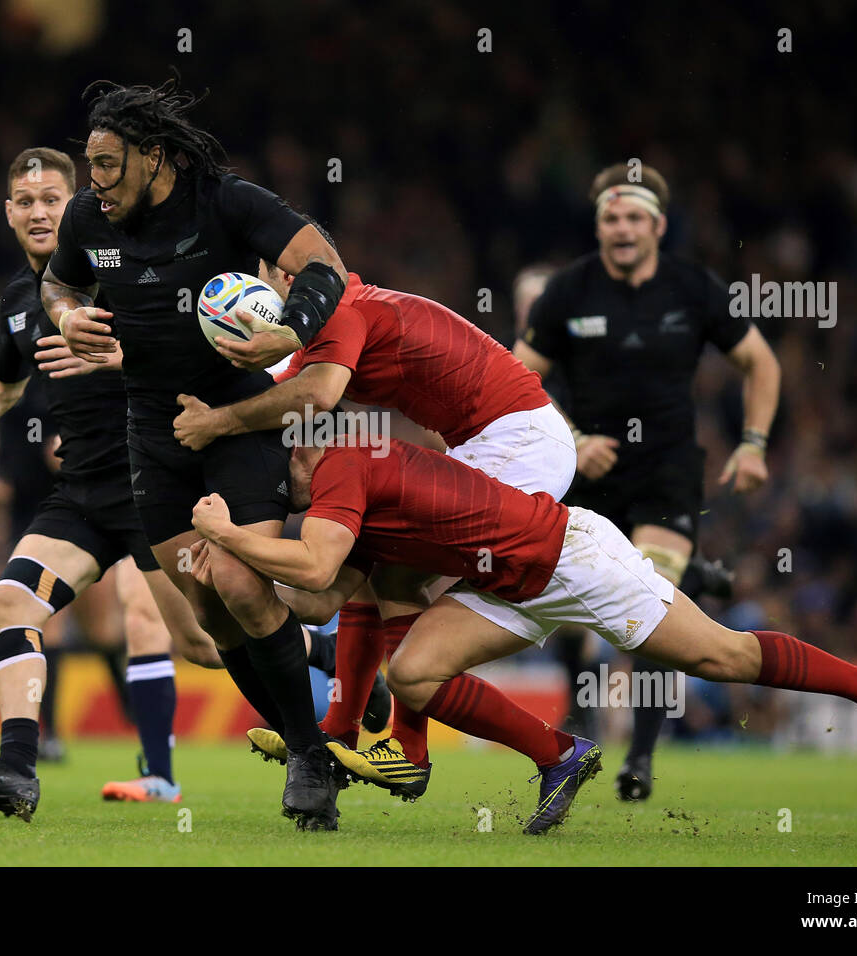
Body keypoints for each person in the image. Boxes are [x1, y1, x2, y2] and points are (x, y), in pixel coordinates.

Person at [189, 438, 857, 834]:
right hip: (506, 585)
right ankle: (560, 756)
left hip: (572, 559)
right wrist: (230, 579)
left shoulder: (341, 471)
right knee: (414, 673)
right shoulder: (342, 496)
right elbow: (317, 598)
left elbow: (314, 567)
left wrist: (226, 534)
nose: (266, 505)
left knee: (722, 656)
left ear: (295, 453)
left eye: (263, 485)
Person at [0, 147, 221, 817]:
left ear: (77, 203)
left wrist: (121, 354)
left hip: (157, 488)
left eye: (52, 198)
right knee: (8, 605)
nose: (38, 211)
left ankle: (319, 654)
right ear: (8, 213)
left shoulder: (119, 265)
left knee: (204, 642)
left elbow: (196, 342)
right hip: (83, 500)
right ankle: (19, 772)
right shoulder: (21, 299)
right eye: (25, 201)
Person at [42, 79, 351, 828]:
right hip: (152, 434)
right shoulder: (89, 217)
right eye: (91, 166)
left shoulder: (227, 202)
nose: (95, 184)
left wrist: (293, 330)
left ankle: (308, 755)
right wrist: (69, 314)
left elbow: (324, 264)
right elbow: (57, 281)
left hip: (236, 422)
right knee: (210, 619)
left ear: (154, 156)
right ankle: (318, 699)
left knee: (243, 585)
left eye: (110, 165)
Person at [170, 239, 576, 797]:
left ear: (285, 278)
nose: (257, 287)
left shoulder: (340, 313)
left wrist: (216, 427)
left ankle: (411, 749)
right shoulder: (328, 323)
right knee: (372, 573)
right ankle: (342, 734)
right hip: (495, 438)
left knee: (392, 573)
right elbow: (268, 388)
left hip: (518, 440)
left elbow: (312, 396)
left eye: (261, 274)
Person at [514, 162, 782, 799]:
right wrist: (574, 438)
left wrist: (753, 445)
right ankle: (579, 728)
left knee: (653, 605)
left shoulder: (694, 288)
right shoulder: (569, 291)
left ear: (658, 225)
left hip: (665, 471)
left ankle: (639, 756)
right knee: (578, 615)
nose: (622, 228)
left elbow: (760, 361)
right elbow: (517, 378)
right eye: (611, 217)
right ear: (599, 224)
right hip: (588, 469)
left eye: (634, 217)